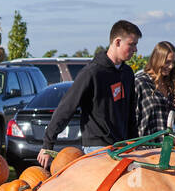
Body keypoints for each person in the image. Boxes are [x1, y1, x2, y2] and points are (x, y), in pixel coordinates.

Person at [37, 20, 142, 169]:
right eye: (132, 44)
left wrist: (134, 143)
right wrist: (48, 144)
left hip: (122, 147)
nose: (135, 49)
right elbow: (67, 107)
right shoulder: (92, 73)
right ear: (117, 42)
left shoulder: (127, 73)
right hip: (97, 147)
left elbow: (130, 113)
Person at [134, 41, 175, 136]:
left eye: (173, 62)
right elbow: (130, 119)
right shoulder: (140, 83)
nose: (171, 66)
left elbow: (172, 121)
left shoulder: (170, 84)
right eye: (167, 62)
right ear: (157, 59)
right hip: (146, 146)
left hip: (168, 146)